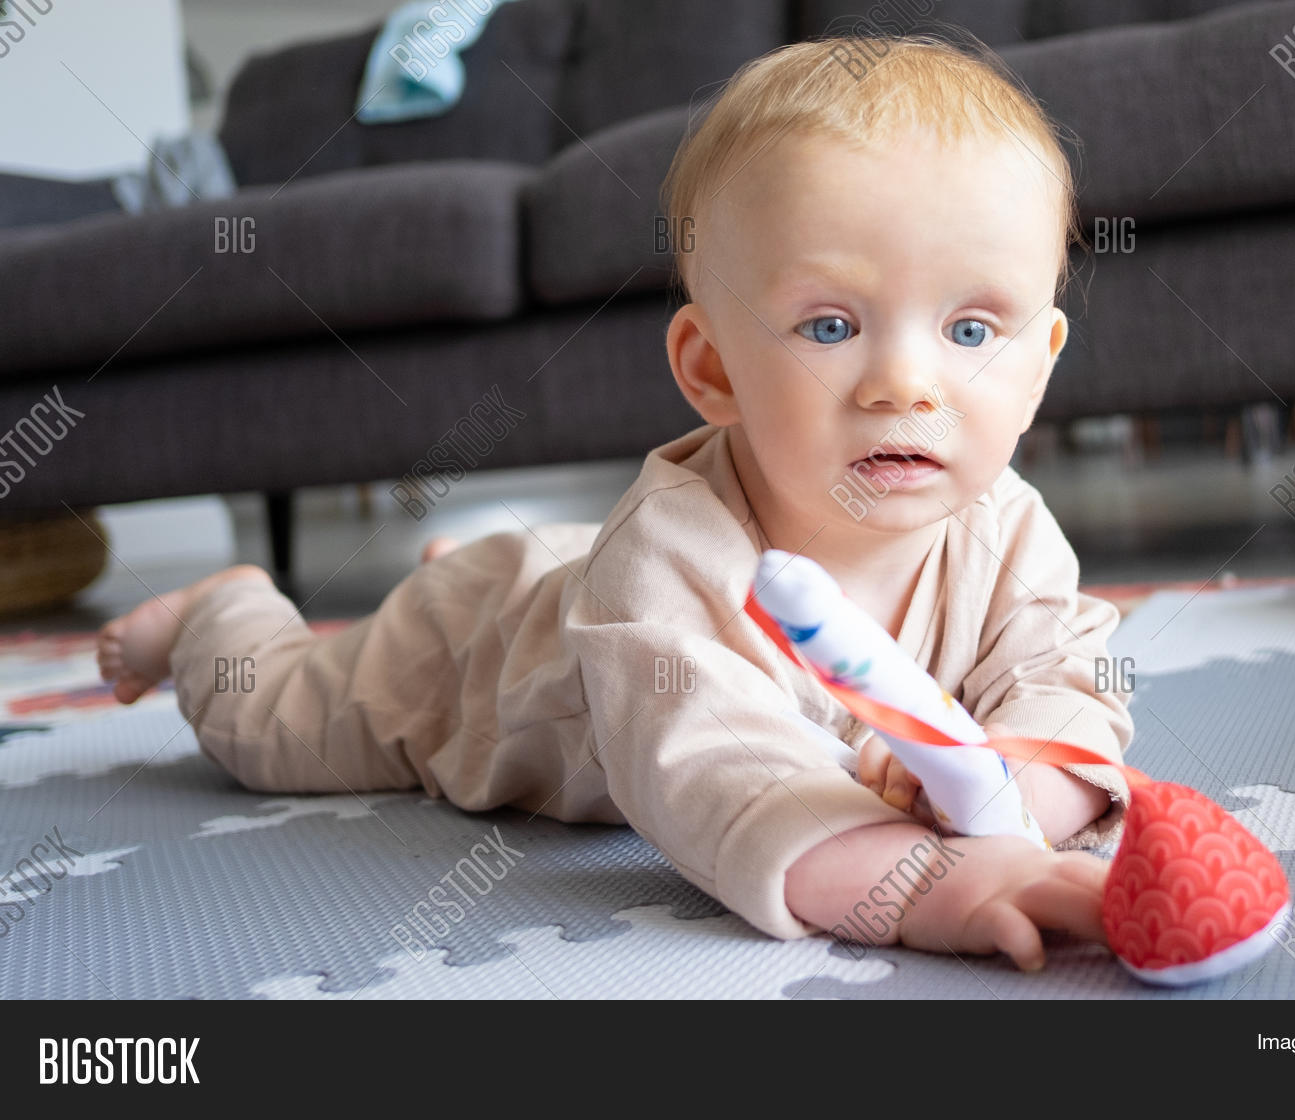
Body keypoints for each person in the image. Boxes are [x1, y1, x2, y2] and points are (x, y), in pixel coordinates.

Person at [97, 34, 1134, 970]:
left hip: (578, 578)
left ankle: (495, 565)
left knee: (573, 575)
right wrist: (932, 877)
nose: (905, 384)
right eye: (829, 326)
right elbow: (714, 766)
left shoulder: (1008, 529)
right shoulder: (673, 557)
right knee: (277, 726)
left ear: (1040, 365)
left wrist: (1015, 790)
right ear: (712, 367)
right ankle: (222, 611)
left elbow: (1070, 677)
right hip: (474, 662)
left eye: (968, 331)